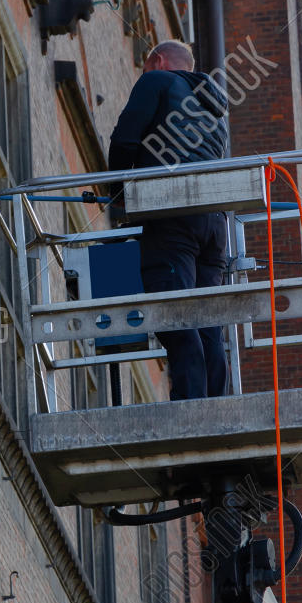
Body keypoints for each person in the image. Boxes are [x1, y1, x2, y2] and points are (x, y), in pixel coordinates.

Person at [107, 40, 229, 400]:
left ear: (157, 61)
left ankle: (191, 409)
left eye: (146, 67)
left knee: (175, 314)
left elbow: (124, 141)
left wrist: (117, 200)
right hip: (213, 226)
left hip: (171, 212)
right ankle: (217, 408)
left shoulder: (156, 81)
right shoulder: (216, 114)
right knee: (208, 323)